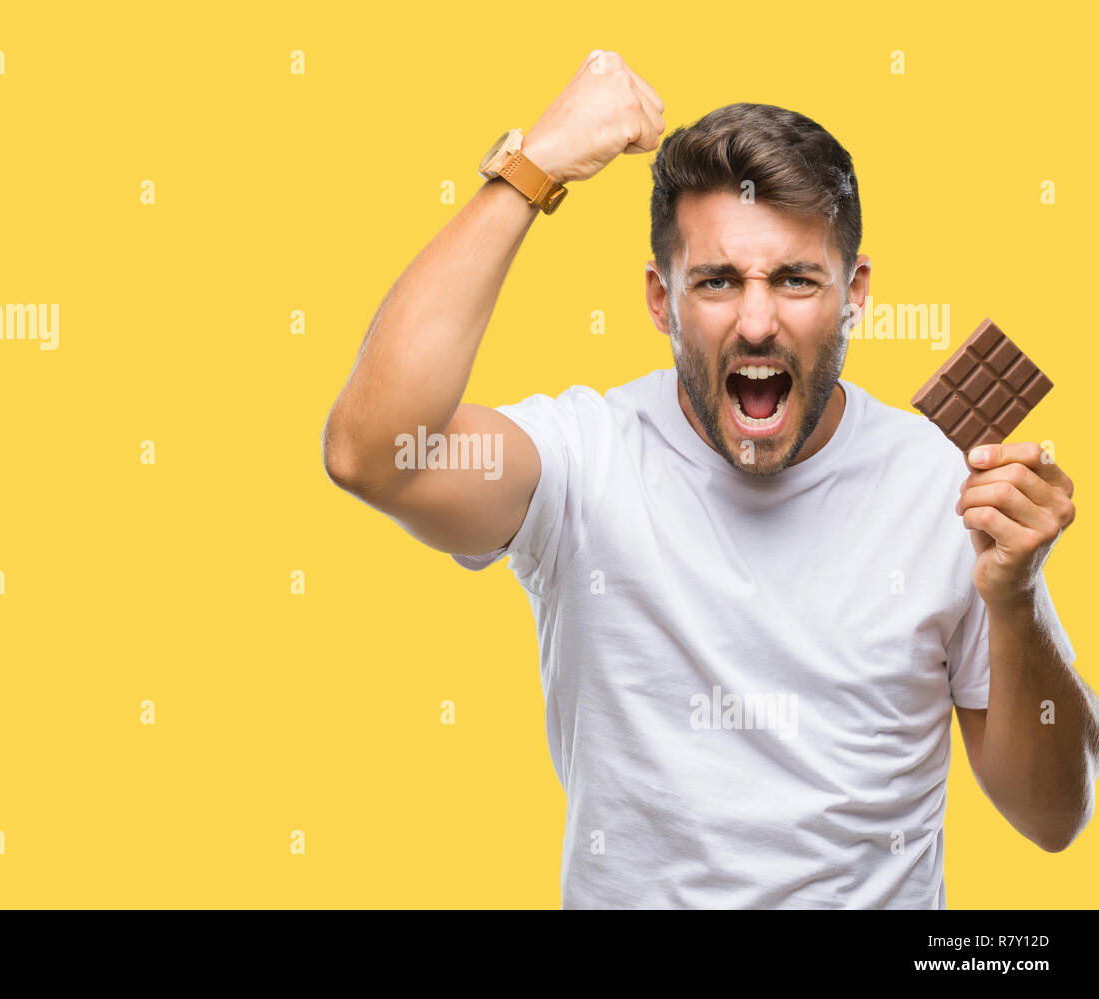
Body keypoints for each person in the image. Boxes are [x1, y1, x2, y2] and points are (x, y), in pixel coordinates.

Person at [321, 49, 1095, 908]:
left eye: (797, 280)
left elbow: (1055, 817)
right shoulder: (586, 461)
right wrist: (531, 166)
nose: (758, 321)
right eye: (718, 281)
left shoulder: (943, 490)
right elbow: (371, 452)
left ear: (854, 294)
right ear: (662, 300)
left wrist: (1014, 597)